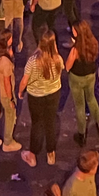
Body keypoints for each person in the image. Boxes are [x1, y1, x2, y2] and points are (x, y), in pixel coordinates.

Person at [19, 30, 64, 168]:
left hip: (36, 96)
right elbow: (60, 72)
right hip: (53, 94)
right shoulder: (58, 59)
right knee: (50, 123)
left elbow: (24, 80)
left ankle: (32, 155)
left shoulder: (33, 61)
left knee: (37, 124)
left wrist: (20, 92)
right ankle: (51, 153)